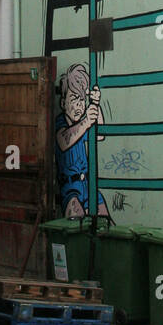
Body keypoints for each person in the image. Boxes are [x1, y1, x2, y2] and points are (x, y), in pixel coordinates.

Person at [55, 62, 109, 219]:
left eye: (82, 100)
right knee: (75, 218)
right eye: (74, 99)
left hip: (88, 185)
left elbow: (100, 134)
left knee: (105, 222)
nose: (79, 105)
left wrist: (95, 104)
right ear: (63, 103)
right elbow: (63, 141)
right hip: (70, 188)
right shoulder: (62, 123)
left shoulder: (82, 126)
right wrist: (86, 121)